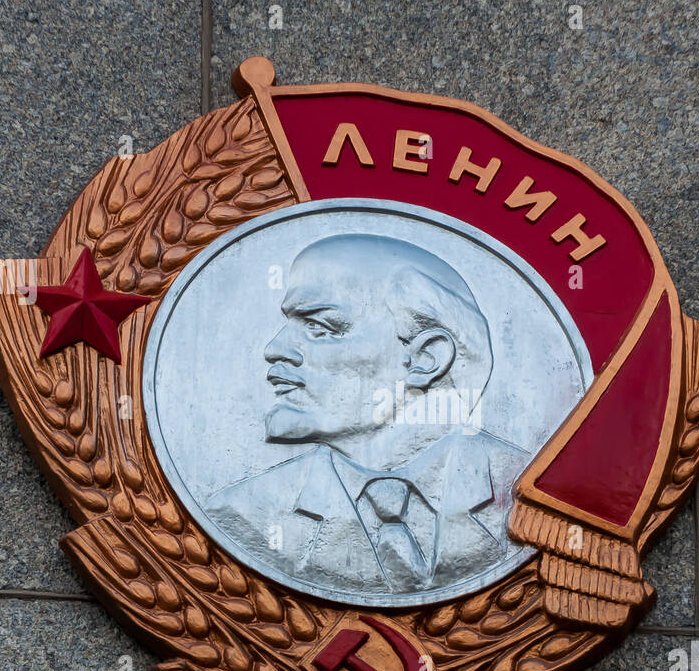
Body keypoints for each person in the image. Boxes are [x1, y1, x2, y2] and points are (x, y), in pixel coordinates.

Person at [206, 233, 529, 595]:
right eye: (290, 325)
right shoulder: (238, 513)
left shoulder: (540, 498)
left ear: (426, 359)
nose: (274, 349)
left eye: (318, 326)